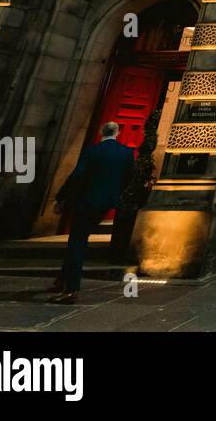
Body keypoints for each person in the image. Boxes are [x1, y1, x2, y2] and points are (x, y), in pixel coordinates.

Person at [52, 121, 135, 304]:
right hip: (106, 204)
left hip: (87, 202)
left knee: (77, 243)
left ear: (100, 132)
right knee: (79, 241)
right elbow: (129, 177)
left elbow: (77, 175)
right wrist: (115, 194)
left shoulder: (92, 151)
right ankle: (62, 279)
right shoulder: (126, 153)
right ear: (118, 133)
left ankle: (70, 289)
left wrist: (60, 198)